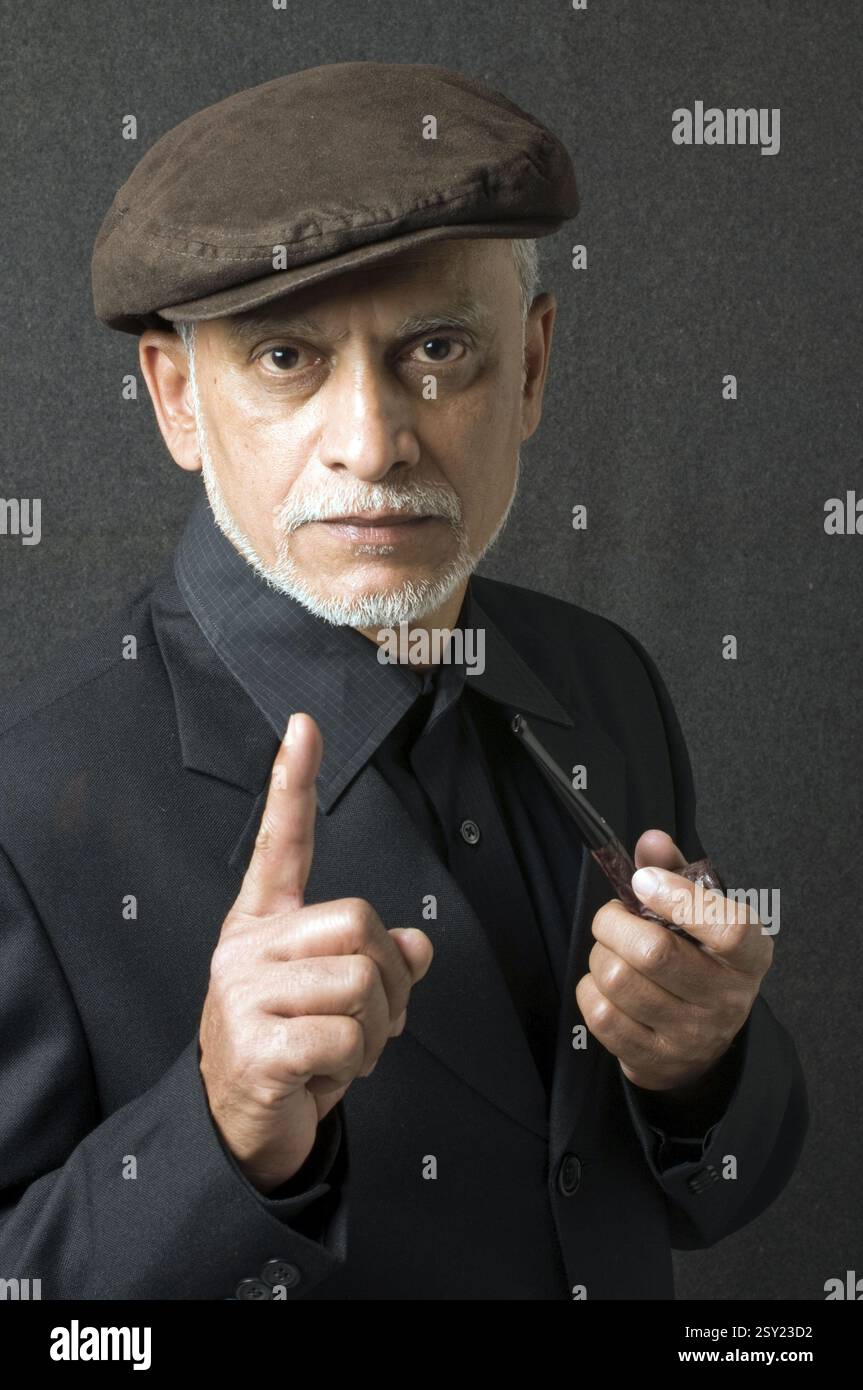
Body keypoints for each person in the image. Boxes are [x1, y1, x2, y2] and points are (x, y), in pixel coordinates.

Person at [0, 61, 807, 1300]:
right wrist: (212, 1136)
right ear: (176, 398)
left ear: (530, 366)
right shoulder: (26, 800)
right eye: (285, 357)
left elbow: (706, 1194)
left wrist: (699, 1069)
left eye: (437, 349)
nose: (372, 443)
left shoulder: (603, 682)